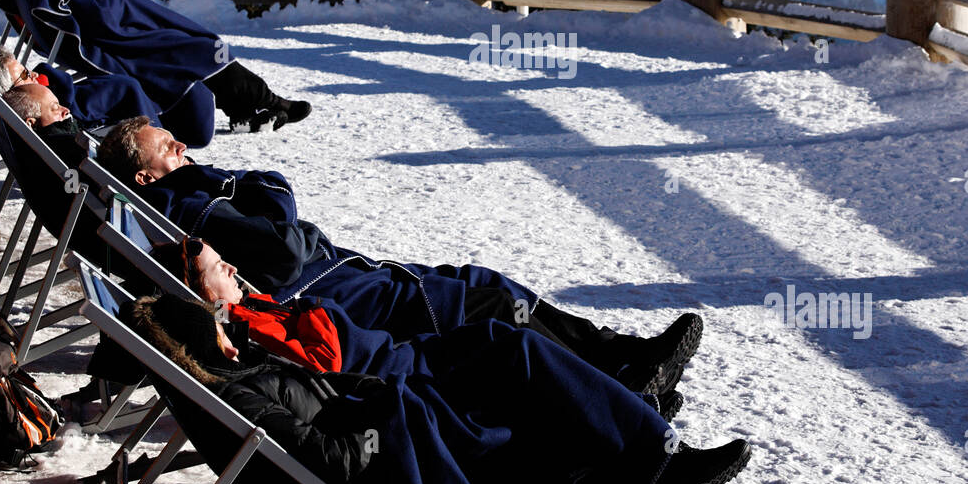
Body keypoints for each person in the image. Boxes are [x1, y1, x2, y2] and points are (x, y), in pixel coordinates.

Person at [98, 117, 704, 397]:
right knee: (490, 305)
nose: (183, 144)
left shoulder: (186, 196)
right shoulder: (193, 205)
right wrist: (258, 190)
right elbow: (283, 243)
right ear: (146, 175)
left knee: (484, 284)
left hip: (337, 276)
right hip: (332, 295)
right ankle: (622, 379)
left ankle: (622, 360)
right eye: (167, 146)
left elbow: (278, 205)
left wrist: (266, 194)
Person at [126, 245, 751, 484]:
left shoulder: (233, 364)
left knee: (502, 331)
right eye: (220, 329)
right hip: (396, 404)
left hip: (391, 385)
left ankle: (628, 437)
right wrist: (391, 408)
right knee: (512, 353)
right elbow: (330, 450)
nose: (232, 268)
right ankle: (649, 457)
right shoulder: (235, 381)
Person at [0, 0, 311, 134]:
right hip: (119, 40)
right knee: (202, 48)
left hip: (118, 34)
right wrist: (109, 0)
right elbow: (101, 15)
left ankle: (256, 105)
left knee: (198, 49)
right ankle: (260, 103)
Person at [0, 43, 166, 137]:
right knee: (126, 88)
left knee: (123, 85)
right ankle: (156, 144)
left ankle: (157, 141)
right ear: (9, 94)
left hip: (60, 98)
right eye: (24, 76)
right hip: (62, 105)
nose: (33, 75)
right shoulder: (31, 116)